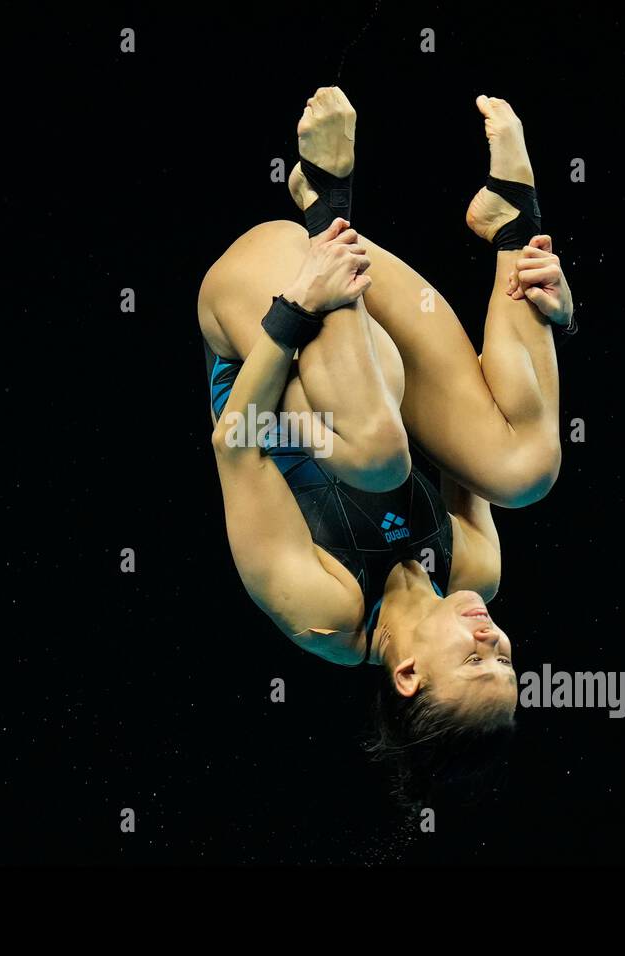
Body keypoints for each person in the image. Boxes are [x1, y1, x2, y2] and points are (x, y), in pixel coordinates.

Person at [198, 87, 574, 806]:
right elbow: (489, 413)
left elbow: (236, 442)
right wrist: (554, 322)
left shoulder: (325, 610)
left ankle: (324, 199)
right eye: (507, 659)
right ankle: (511, 224)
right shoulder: (474, 568)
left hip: (265, 298)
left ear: (407, 675)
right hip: (363, 327)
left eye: (475, 661)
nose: (493, 638)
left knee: (378, 453)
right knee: (522, 471)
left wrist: (298, 305)